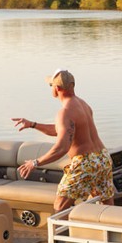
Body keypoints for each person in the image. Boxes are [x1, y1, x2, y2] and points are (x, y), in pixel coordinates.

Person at [11, 69, 113, 213]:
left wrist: (35, 163)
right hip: (103, 158)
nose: (51, 88)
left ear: (57, 88)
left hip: (85, 163)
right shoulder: (83, 105)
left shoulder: (65, 112)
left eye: (51, 85)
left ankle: (61, 229)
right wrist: (33, 124)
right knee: (106, 205)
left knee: (60, 207)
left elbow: (62, 148)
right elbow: (64, 130)